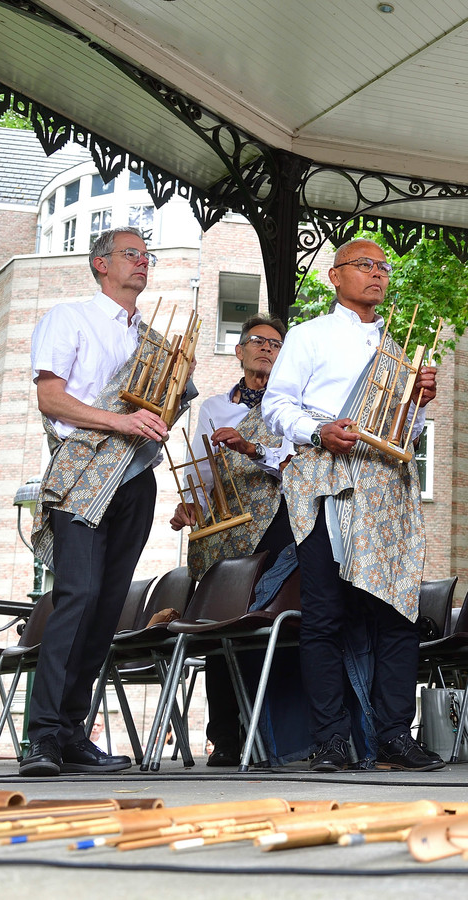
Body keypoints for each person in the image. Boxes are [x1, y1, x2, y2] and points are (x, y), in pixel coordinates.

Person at [261, 237, 443, 773]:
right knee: (325, 614)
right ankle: (331, 740)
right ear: (334, 277)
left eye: (384, 267)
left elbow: (405, 433)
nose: (378, 274)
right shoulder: (309, 335)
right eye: (365, 265)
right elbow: (275, 406)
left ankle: (393, 735)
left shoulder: (398, 347)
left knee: (396, 612)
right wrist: (317, 430)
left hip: (387, 489)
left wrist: (417, 403)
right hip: (327, 483)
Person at [22, 226, 189, 776]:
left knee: (106, 605)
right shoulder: (69, 318)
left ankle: (73, 734)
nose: (143, 263)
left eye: (148, 256)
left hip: (135, 479)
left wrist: (168, 407)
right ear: (100, 264)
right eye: (130, 255)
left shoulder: (155, 339)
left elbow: (163, 408)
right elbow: (51, 396)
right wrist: (120, 419)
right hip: (81, 474)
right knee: (79, 595)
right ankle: (41, 737)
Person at [169, 313, 295, 767]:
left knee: (266, 622)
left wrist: (248, 448)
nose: (266, 348)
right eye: (257, 341)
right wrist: (190, 508)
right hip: (223, 531)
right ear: (239, 351)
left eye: (276, 345)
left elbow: (294, 463)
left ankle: (273, 736)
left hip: (277, 523)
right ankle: (225, 738)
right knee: (223, 626)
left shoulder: (289, 407)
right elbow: (199, 469)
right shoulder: (214, 408)